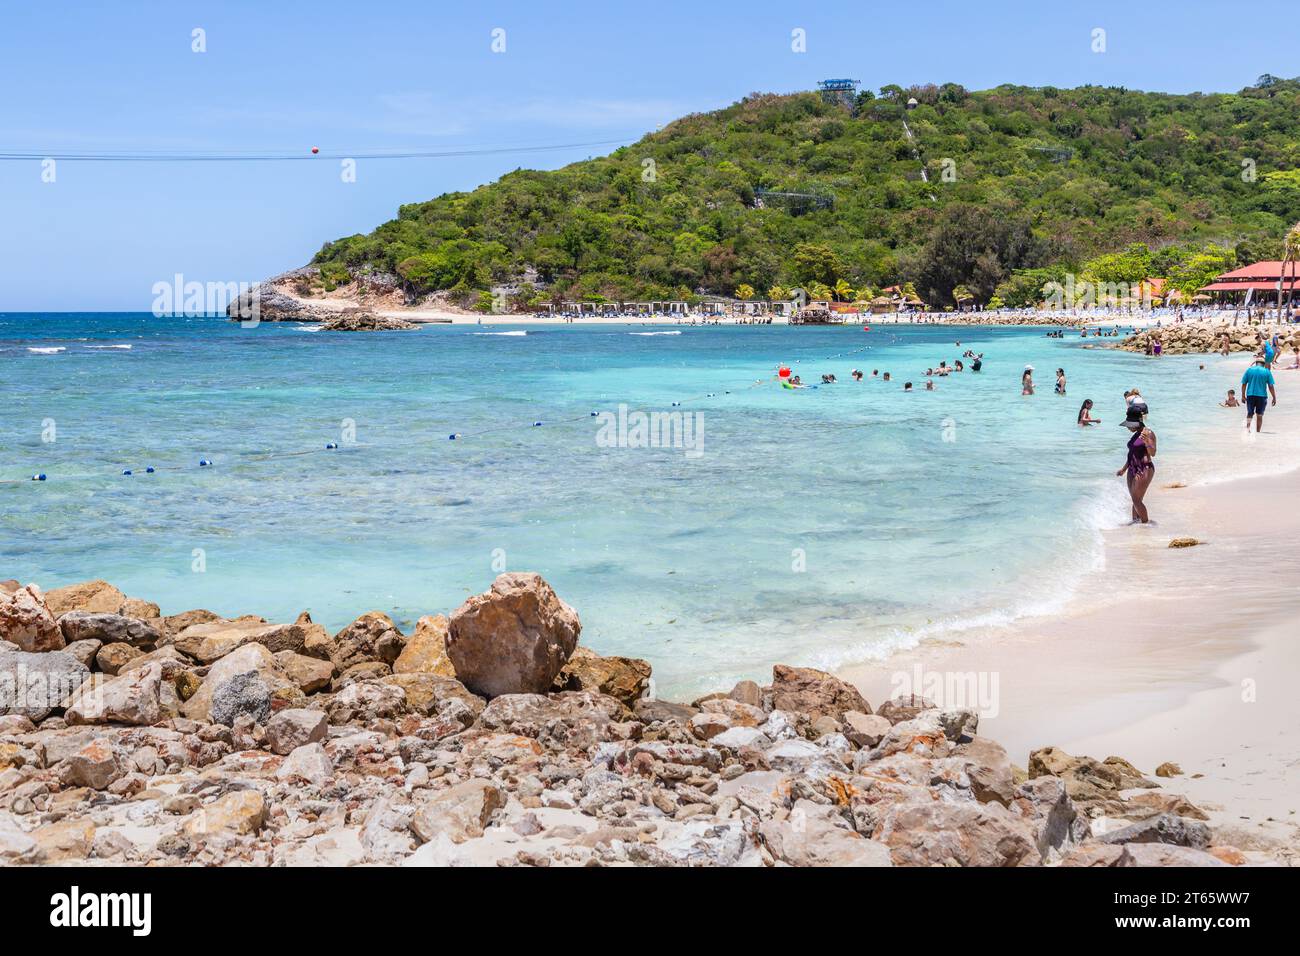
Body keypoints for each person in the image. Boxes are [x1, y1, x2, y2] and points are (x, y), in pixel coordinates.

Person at [1117, 406, 1157, 524]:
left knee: (1136, 500)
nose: (1128, 427)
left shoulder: (1148, 433)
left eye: (1130, 424)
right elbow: (1131, 454)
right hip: (1132, 468)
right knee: (1135, 499)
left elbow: (1153, 453)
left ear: (1138, 421)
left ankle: (1146, 525)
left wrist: (1147, 442)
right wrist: (1124, 469)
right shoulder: (1136, 434)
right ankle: (1136, 524)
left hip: (1144, 468)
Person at [1241, 356, 1277, 432]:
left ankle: (1247, 429)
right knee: (1259, 415)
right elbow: (1270, 386)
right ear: (1264, 364)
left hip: (1250, 395)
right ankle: (1258, 432)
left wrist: (1243, 396)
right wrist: (1274, 397)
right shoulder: (1267, 371)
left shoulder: (1249, 370)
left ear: (1256, 363)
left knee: (1250, 413)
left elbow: (1244, 384)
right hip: (1262, 396)